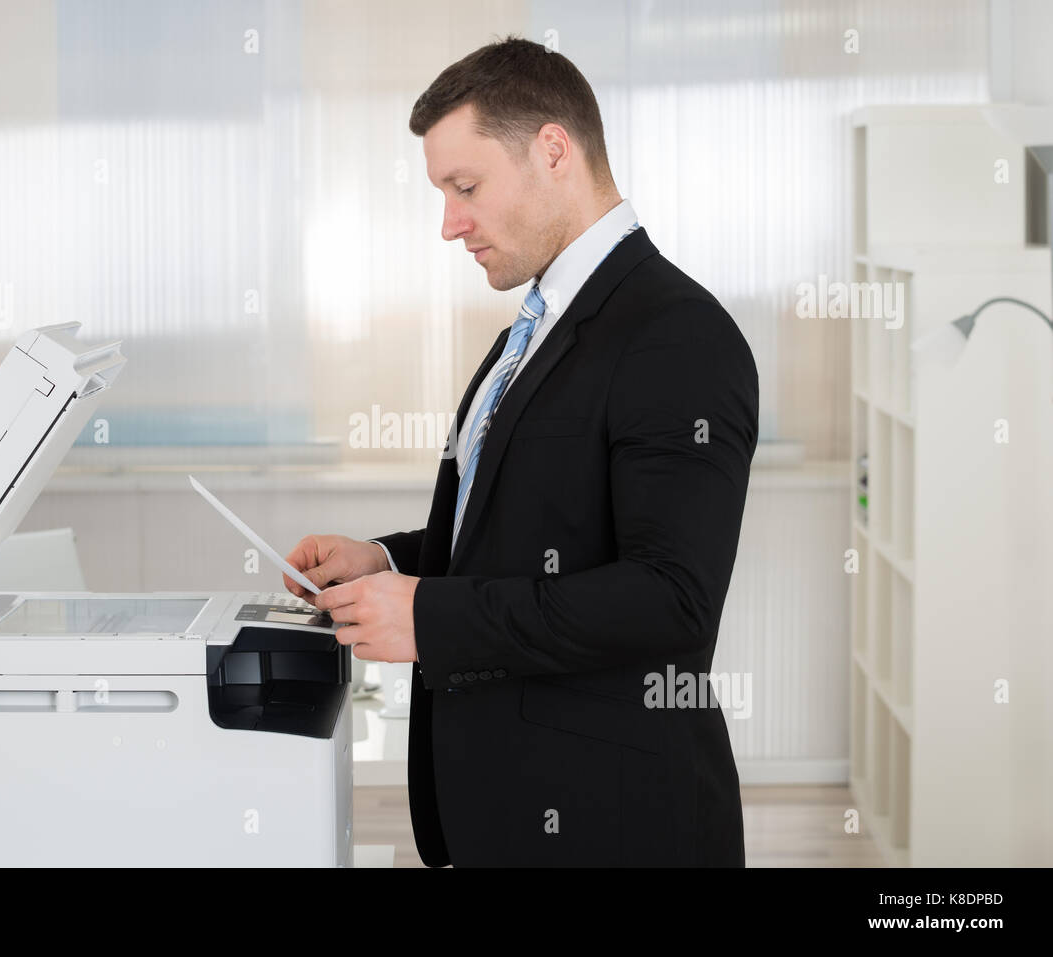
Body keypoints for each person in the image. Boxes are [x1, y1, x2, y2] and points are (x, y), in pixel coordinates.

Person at [283, 36, 758, 867]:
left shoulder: (675, 334)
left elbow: (672, 597)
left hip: (610, 821)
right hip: (507, 807)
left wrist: (427, 614)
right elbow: (538, 534)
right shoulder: (533, 331)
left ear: (552, 150)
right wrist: (386, 561)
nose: (448, 224)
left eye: (465, 188)